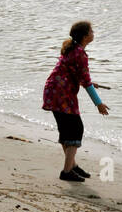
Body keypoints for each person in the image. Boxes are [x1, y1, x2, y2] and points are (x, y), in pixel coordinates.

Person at [42, 19, 109, 182]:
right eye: (92, 31)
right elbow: (84, 81)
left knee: (67, 131)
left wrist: (90, 83)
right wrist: (98, 103)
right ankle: (66, 171)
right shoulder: (80, 53)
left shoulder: (72, 49)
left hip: (53, 92)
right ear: (85, 36)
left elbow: (72, 73)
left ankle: (71, 165)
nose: (94, 34)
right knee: (75, 130)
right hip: (62, 95)